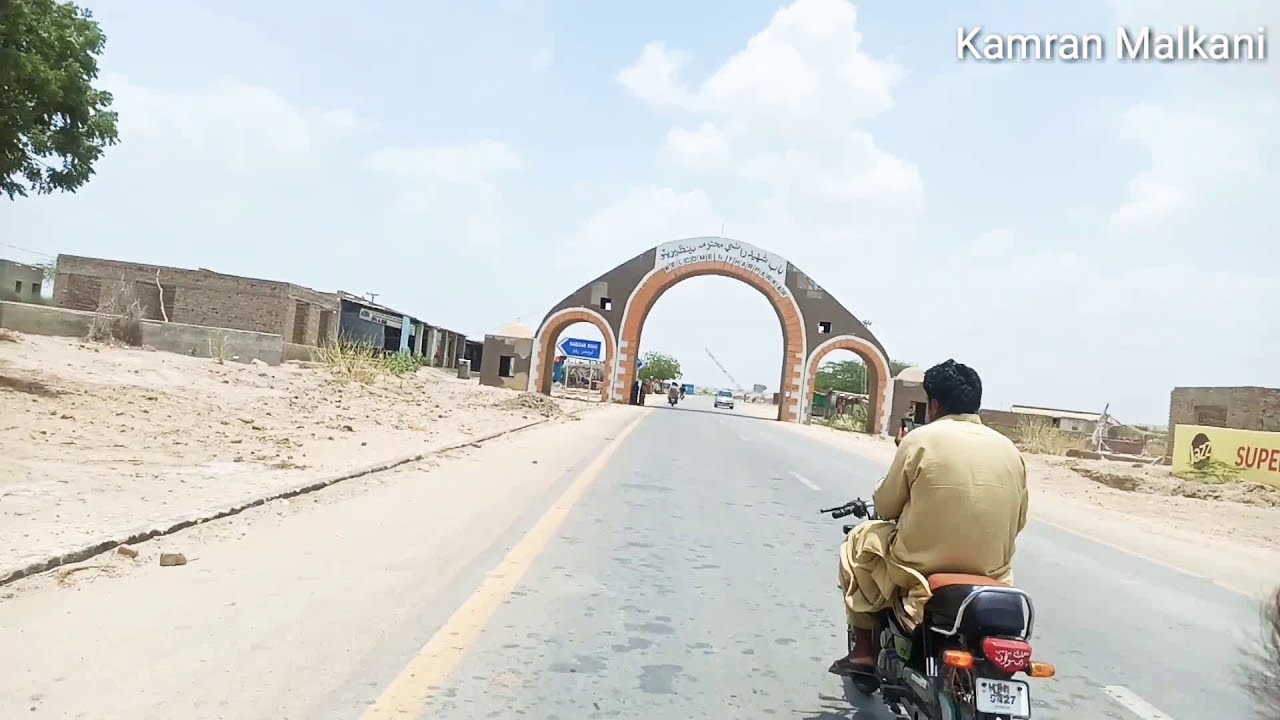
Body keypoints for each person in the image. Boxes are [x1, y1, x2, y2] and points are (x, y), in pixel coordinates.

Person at [829, 359, 1029, 676]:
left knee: (857, 542)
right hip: (991, 572)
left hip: (919, 569)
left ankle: (864, 651)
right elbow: (1018, 521)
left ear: (933, 404)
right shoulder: (1009, 450)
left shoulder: (920, 439)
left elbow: (887, 506)